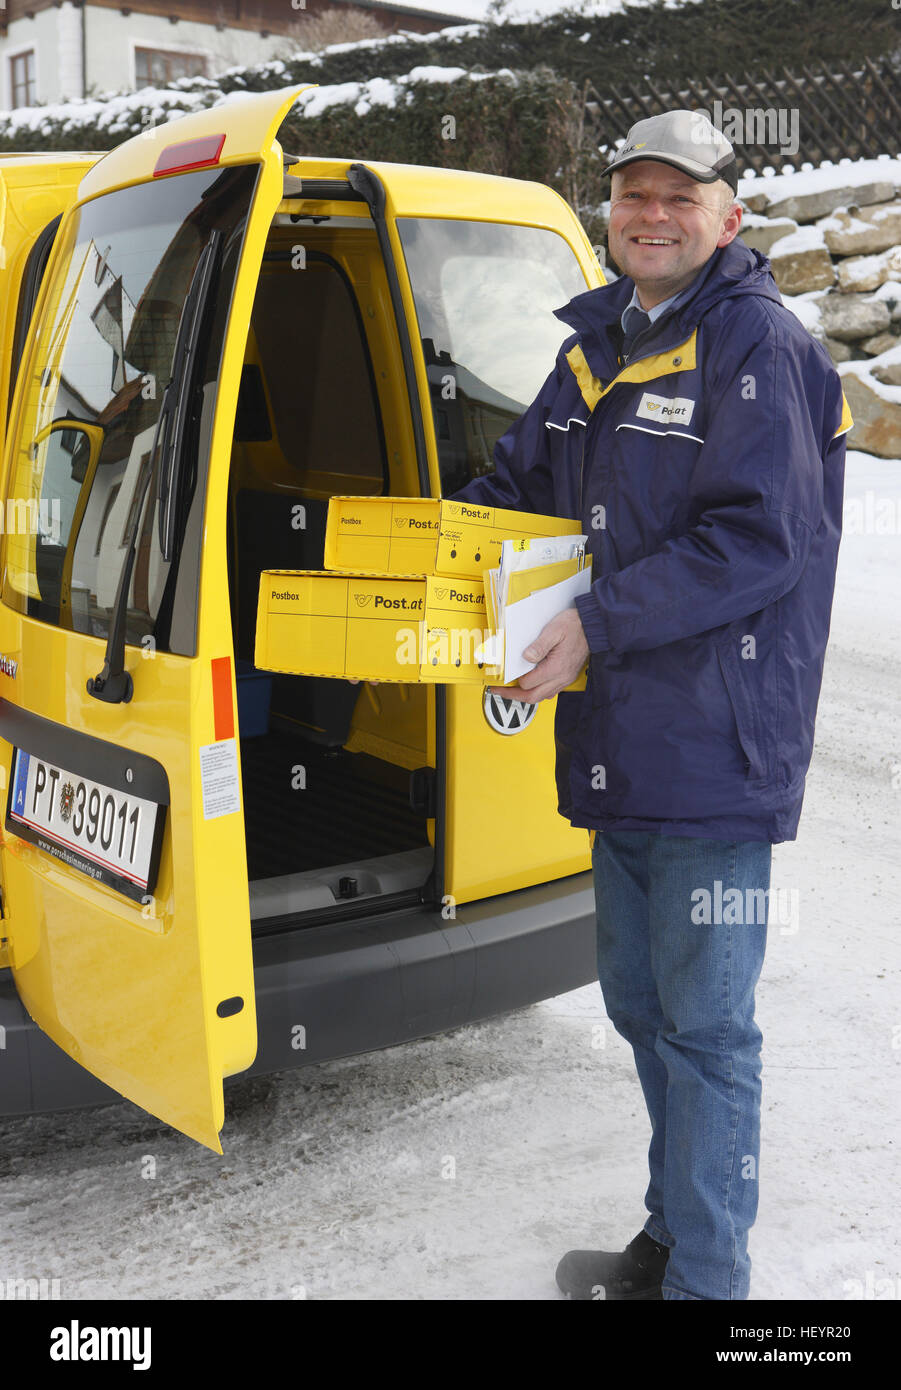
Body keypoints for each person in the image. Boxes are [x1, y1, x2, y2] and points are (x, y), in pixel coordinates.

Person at [448, 109, 851, 1301]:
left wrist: (596, 623)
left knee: (707, 1028)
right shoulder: (594, 352)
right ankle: (671, 1238)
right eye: (634, 194)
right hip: (619, 744)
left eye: (681, 197)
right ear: (608, 213)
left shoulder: (756, 349)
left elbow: (757, 541)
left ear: (728, 216)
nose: (653, 215)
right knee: (639, 1006)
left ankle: (710, 1288)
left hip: (718, 757)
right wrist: (418, 550)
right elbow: (517, 485)